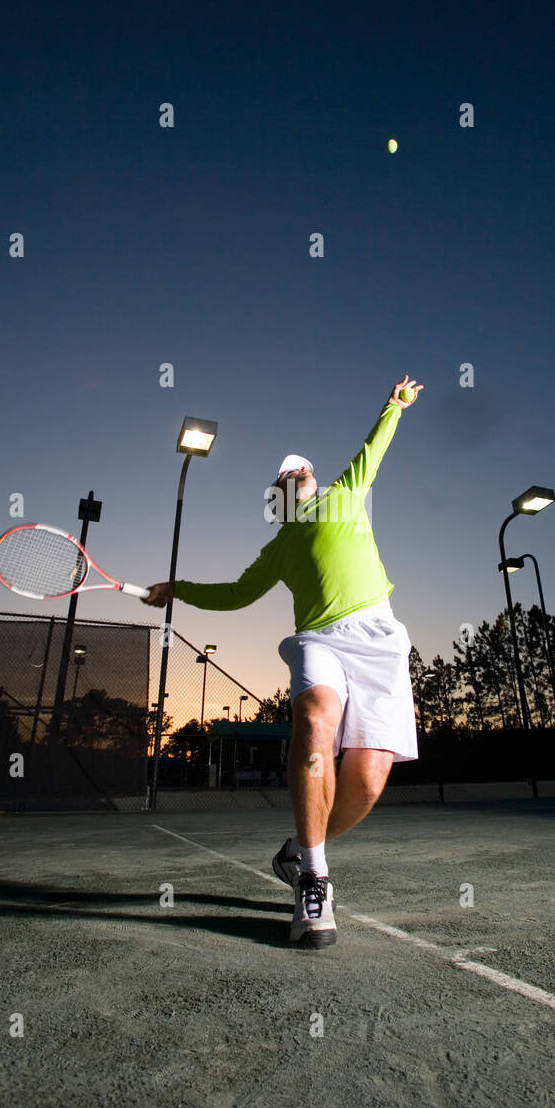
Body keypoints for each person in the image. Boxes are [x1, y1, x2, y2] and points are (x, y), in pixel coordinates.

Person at [144, 375, 423, 948]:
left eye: (302, 469)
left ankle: (296, 853)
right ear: (277, 495)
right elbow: (234, 594)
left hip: (378, 637)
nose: (297, 473)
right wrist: (179, 588)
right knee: (316, 717)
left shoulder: (347, 494)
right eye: (285, 475)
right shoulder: (277, 548)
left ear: (315, 479)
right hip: (319, 639)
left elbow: (375, 446)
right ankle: (314, 882)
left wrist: (393, 404)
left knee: (368, 782)